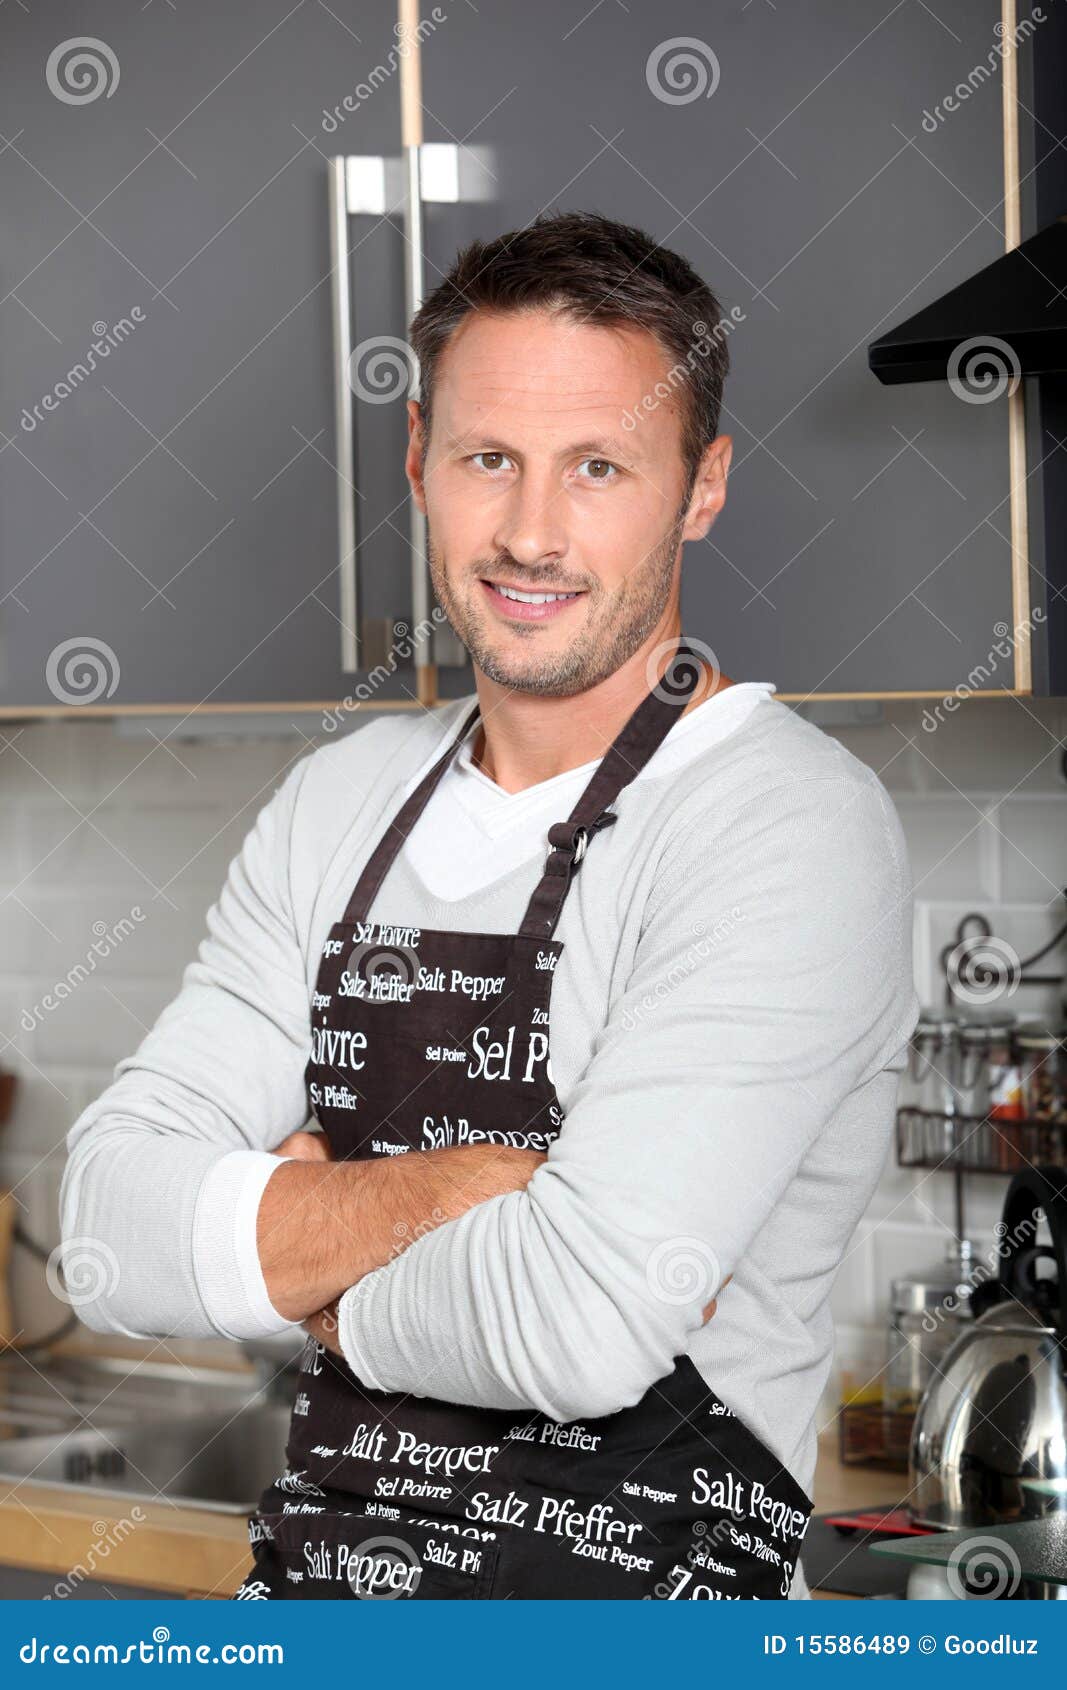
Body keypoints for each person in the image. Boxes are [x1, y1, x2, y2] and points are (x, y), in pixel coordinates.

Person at [62, 210, 918, 1601]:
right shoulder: (338, 799)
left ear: (702, 485)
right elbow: (106, 1221)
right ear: (417, 465)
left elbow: (575, 1324)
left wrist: (293, 1256)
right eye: (487, 460)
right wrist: (467, 1193)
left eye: (598, 467)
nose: (531, 531)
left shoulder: (784, 825)